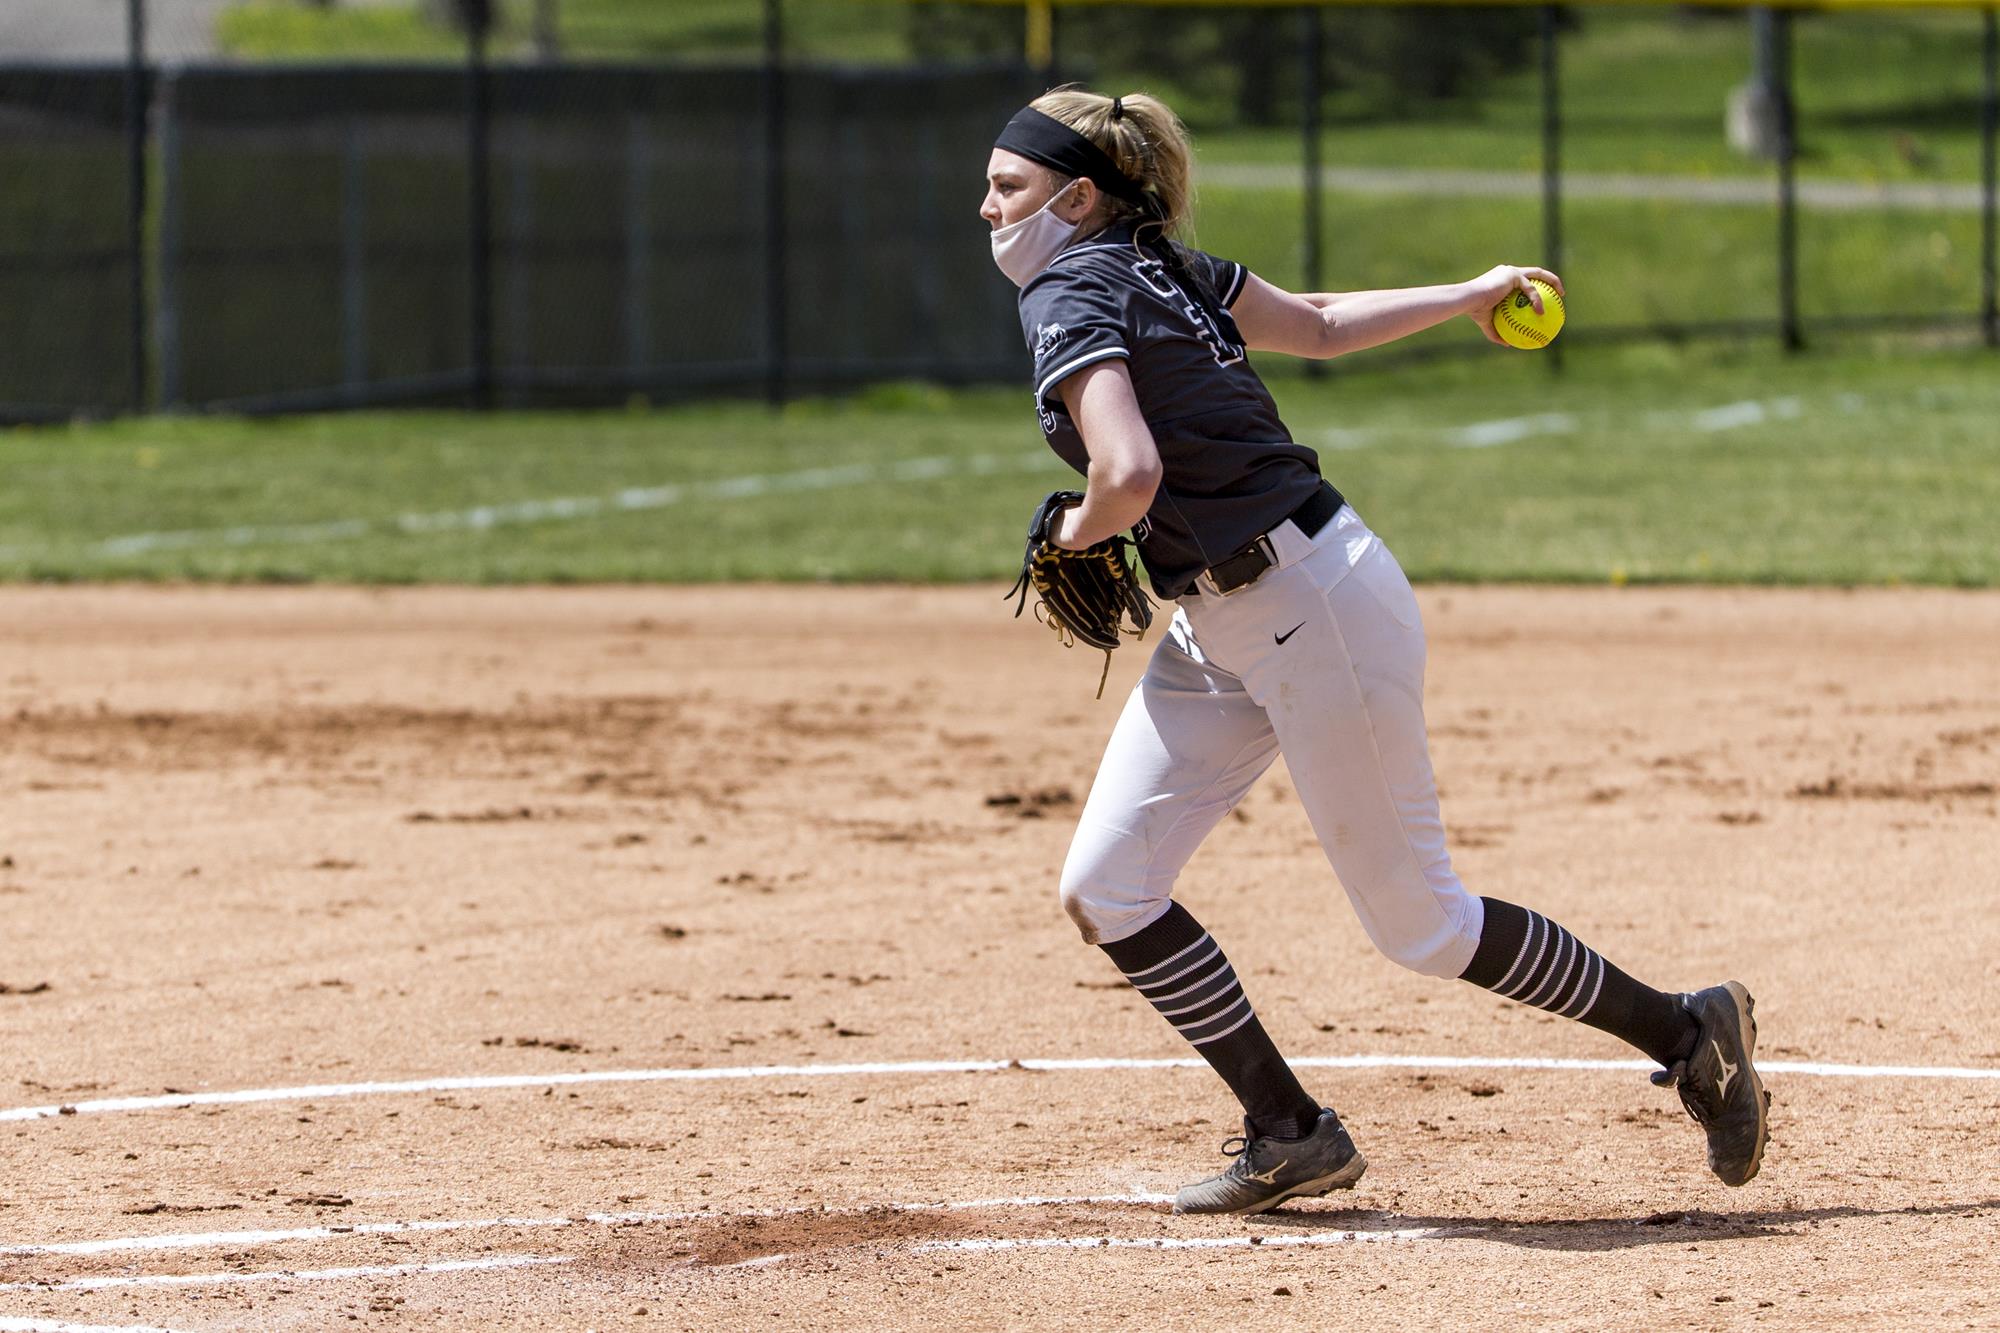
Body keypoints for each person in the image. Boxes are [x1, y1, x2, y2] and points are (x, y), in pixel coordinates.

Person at [979, 88, 1771, 1217]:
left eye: (1006, 185)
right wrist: (1468, 295)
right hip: (1230, 614)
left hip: (1310, 608)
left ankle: (1690, 1033)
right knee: (1107, 888)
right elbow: (1320, 324)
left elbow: (1129, 475)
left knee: (1424, 926)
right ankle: (1290, 1131)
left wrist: (1070, 529)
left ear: (1075, 198)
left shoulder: (1069, 288)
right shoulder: (1165, 266)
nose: (986, 207)